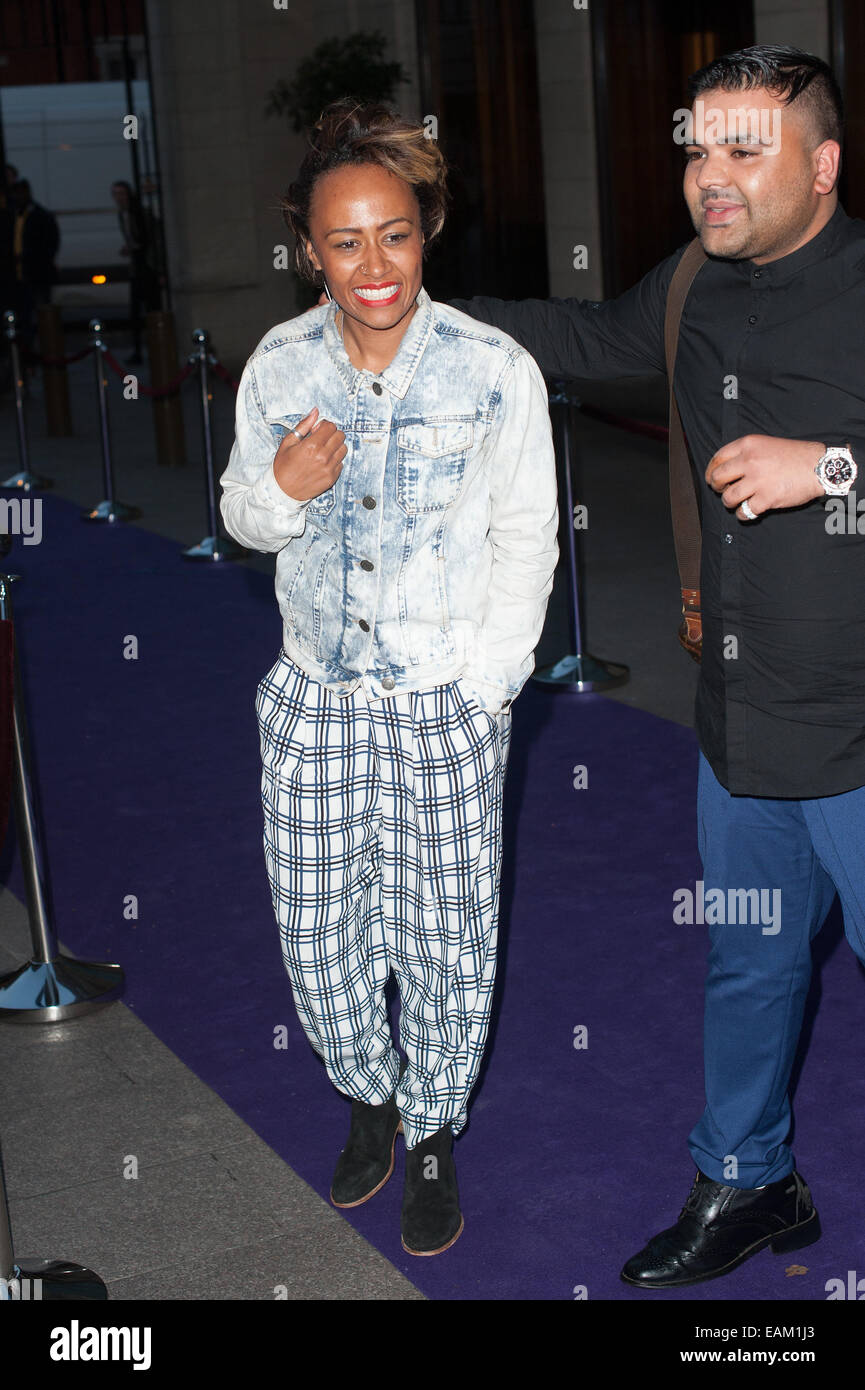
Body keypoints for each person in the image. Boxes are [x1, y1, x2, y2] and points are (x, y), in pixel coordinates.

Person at [455, 43, 865, 1289]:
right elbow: (575, 335)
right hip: (740, 721)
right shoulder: (692, 281)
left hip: (863, 733)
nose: (710, 177)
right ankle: (746, 1176)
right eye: (698, 147)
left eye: (746, 150)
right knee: (751, 961)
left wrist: (833, 468)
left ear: (825, 166)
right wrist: (406, 302)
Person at [219, 99, 558, 1256]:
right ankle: (370, 1087)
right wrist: (282, 483)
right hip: (314, 698)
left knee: (446, 937)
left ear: (429, 232)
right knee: (318, 934)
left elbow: (527, 535)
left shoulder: (493, 368)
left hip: (442, 702)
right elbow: (241, 521)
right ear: (309, 249)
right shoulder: (276, 366)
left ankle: (430, 1131)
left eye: (396, 234)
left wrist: (488, 686)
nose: (375, 263)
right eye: (346, 240)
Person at [111, 180, 161, 363]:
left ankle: (155, 349)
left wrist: (134, 248)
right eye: (116, 194)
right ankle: (140, 350)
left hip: (147, 267)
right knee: (137, 312)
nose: (119, 198)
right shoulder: (123, 214)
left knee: (151, 310)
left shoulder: (139, 213)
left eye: (121, 194)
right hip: (138, 268)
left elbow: (149, 239)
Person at [9, 178, 59, 352]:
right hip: (21, 274)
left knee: (40, 313)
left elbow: (49, 243)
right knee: (26, 316)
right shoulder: (16, 214)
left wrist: (29, 257)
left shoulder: (38, 215)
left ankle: (46, 348)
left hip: (36, 272)